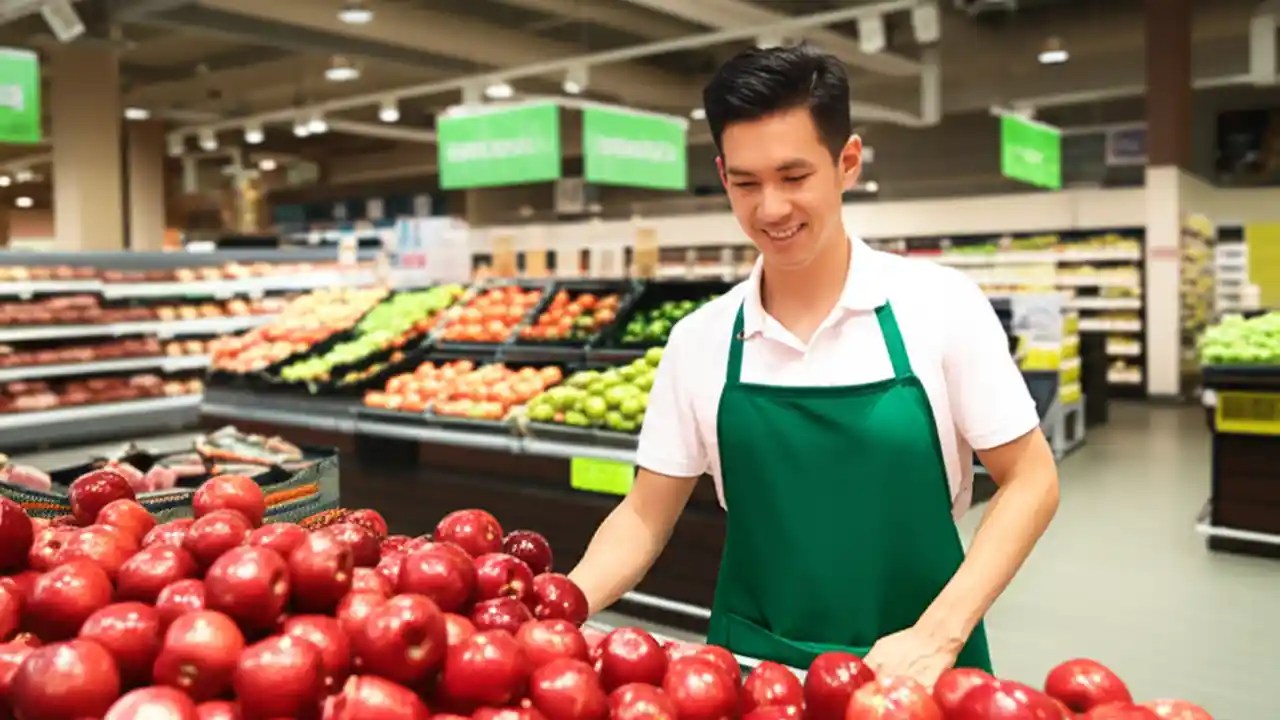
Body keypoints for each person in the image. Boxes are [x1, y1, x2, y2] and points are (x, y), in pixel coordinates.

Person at [567, 43, 1060, 688]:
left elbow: (1030, 480)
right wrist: (560, 606)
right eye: (745, 183)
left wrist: (940, 633)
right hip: (751, 670)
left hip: (912, 672)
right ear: (722, 175)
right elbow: (643, 514)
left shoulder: (938, 307)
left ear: (846, 162)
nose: (770, 208)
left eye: (793, 177)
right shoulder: (701, 340)